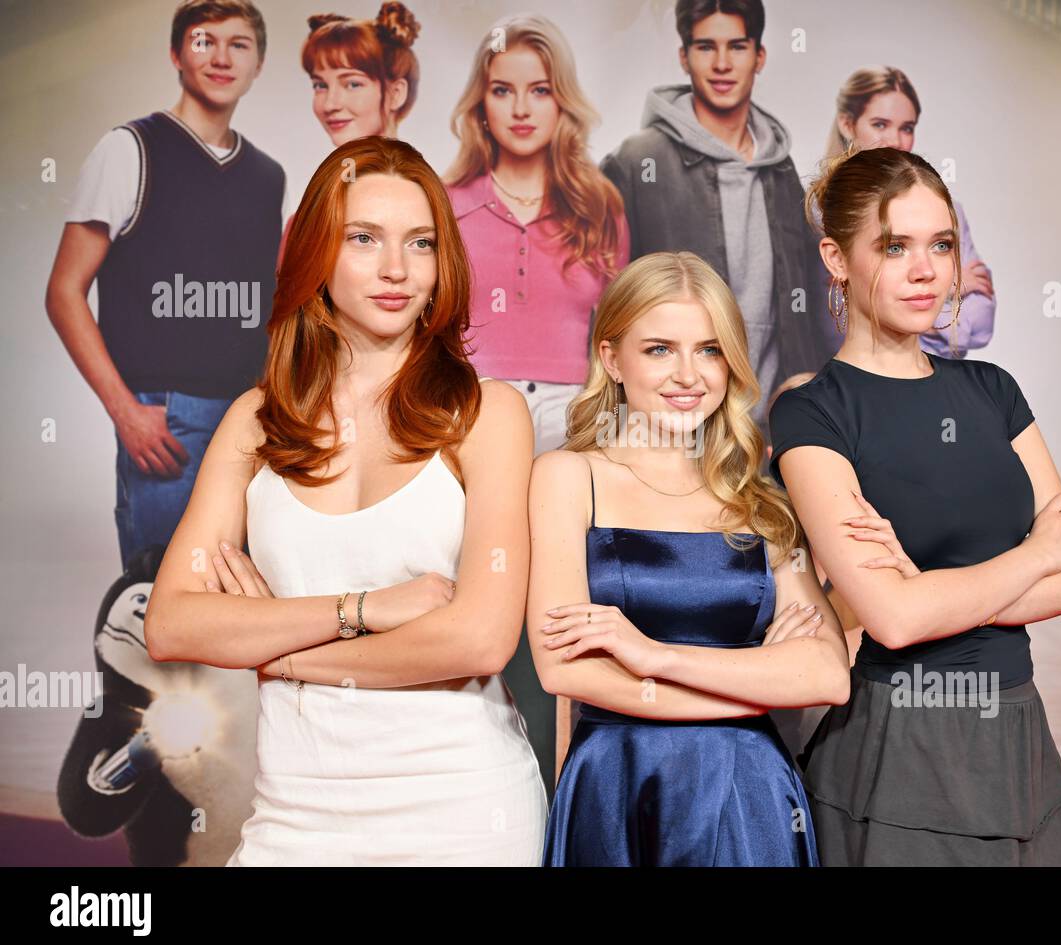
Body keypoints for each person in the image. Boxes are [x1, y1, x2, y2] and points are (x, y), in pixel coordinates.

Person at [143, 136, 548, 865]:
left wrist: (278, 649)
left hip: (464, 809)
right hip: (294, 818)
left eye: (420, 243)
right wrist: (361, 610)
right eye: (364, 239)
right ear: (317, 254)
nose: (397, 268)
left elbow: (480, 640)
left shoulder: (489, 413)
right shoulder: (255, 420)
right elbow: (171, 622)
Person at [769, 146, 1061, 865]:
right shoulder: (812, 414)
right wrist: (1035, 556)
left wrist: (925, 590)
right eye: (894, 246)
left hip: (1019, 738)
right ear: (835, 257)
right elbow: (891, 619)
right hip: (901, 752)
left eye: (941, 245)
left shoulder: (993, 391)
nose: (926, 271)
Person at [529, 251, 850, 866]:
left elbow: (828, 677)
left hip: (750, 794)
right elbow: (563, 671)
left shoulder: (760, 502)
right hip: (615, 788)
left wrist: (653, 656)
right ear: (610, 358)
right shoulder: (567, 477)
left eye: (709, 349)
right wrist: (758, 682)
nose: (688, 374)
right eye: (659, 349)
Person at [445, 14, 631, 790]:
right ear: (480, 104)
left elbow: (614, 334)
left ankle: (566, 786)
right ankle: (484, 775)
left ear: (562, 105)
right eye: (502, 91)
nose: (521, 108)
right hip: (473, 417)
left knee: (561, 597)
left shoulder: (600, 205)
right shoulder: (446, 203)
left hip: (571, 417)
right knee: (483, 588)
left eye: (540, 91)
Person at [46, 0, 287, 571]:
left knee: (236, 603)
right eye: (205, 42)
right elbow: (63, 292)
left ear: (258, 64)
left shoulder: (267, 175)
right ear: (177, 55)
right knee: (157, 599)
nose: (222, 58)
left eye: (239, 44)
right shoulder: (130, 150)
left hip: (249, 418)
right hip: (165, 422)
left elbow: (265, 305)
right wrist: (125, 410)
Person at [599, 0, 835, 441]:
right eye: (706, 47)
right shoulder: (636, 162)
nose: (723, 64)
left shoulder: (783, 172)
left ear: (759, 57)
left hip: (774, 429)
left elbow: (806, 303)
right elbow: (602, 301)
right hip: (675, 424)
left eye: (737, 47)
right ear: (684, 56)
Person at [824, 66, 995, 358]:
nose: (895, 140)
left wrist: (920, 316)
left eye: (942, 246)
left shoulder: (947, 209)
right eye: (894, 247)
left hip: (940, 378)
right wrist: (947, 294)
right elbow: (828, 321)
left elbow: (982, 318)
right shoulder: (824, 214)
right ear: (847, 124)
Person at [276, 1, 423, 270]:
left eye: (352, 83)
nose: (330, 103)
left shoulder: (443, 209)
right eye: (320, 85)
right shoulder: (304, 223)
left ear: (395, 93)